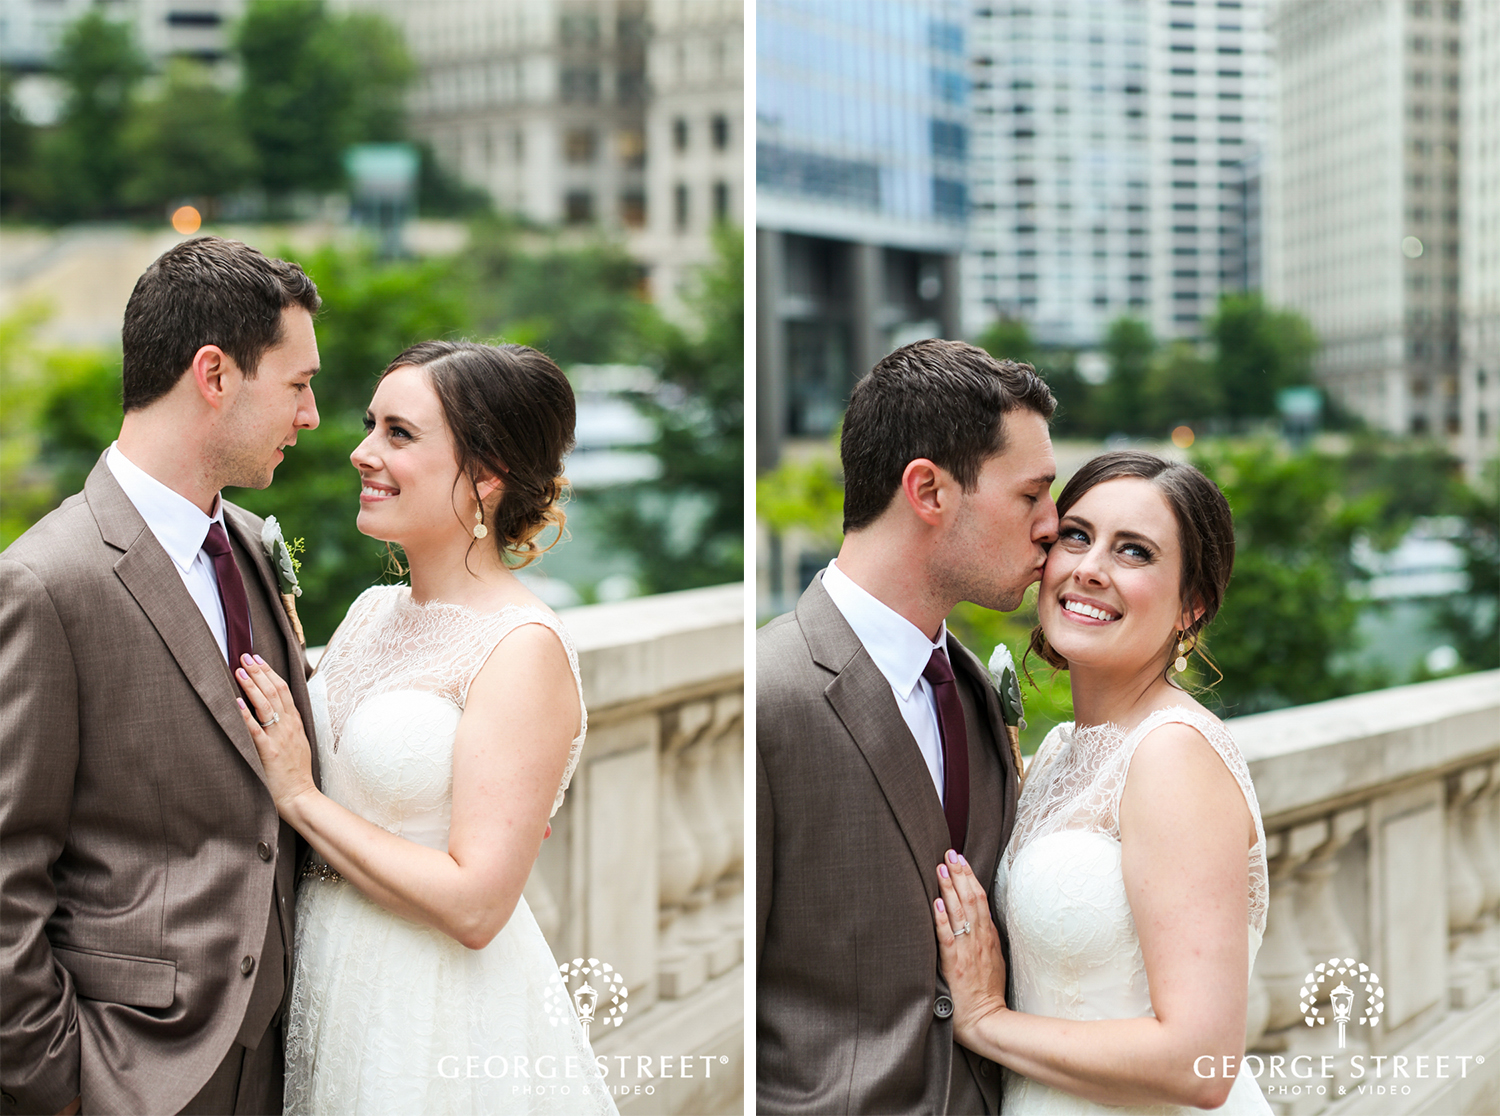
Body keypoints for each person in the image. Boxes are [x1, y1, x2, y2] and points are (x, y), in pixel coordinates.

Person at [230, 340, 617, 1115]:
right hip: (322, 978)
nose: (362, 452)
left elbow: (477, 906)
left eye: (399, 434)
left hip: (430, 1013)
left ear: (487, 475)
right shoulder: (369, 612)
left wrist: (300, 798)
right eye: (371, 425)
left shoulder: (522, 647)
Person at [0, 236, 323, 1115]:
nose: (311, 416)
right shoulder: (45, 582)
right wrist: (58, 1084)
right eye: (297, 385)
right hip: (130, 1070)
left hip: (280, 1063)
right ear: (213, 375)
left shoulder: (249, 544)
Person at [757, 338, 1060, 1113]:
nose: (1053, 527)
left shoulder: (973, 686)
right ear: (928, 490)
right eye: (1031, 496)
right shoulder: (766, 696)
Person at [930, 450, 1271, 1114]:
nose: (1090, 568)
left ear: (1192, 606)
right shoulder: (1061, 751)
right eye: (1076, 536)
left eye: (1134, 551)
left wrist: (986, 1021)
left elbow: (1201, 1065)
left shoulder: (1172, 753)